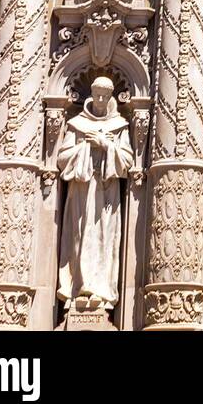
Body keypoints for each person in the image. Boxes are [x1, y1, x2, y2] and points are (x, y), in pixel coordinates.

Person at [57, 76, 133, 312]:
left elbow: (127, 160)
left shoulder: (120, 126)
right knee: (80, 236)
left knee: (105, 239)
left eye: (105, 95)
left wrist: (106, 145)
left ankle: (101, 290)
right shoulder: (76, 124)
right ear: (90, 94)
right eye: (97, 94)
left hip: (107, 194)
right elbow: (62, 159)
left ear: (111, 97)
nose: (100, 99)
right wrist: (85, 147)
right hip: (81, 190)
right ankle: (79, 287)